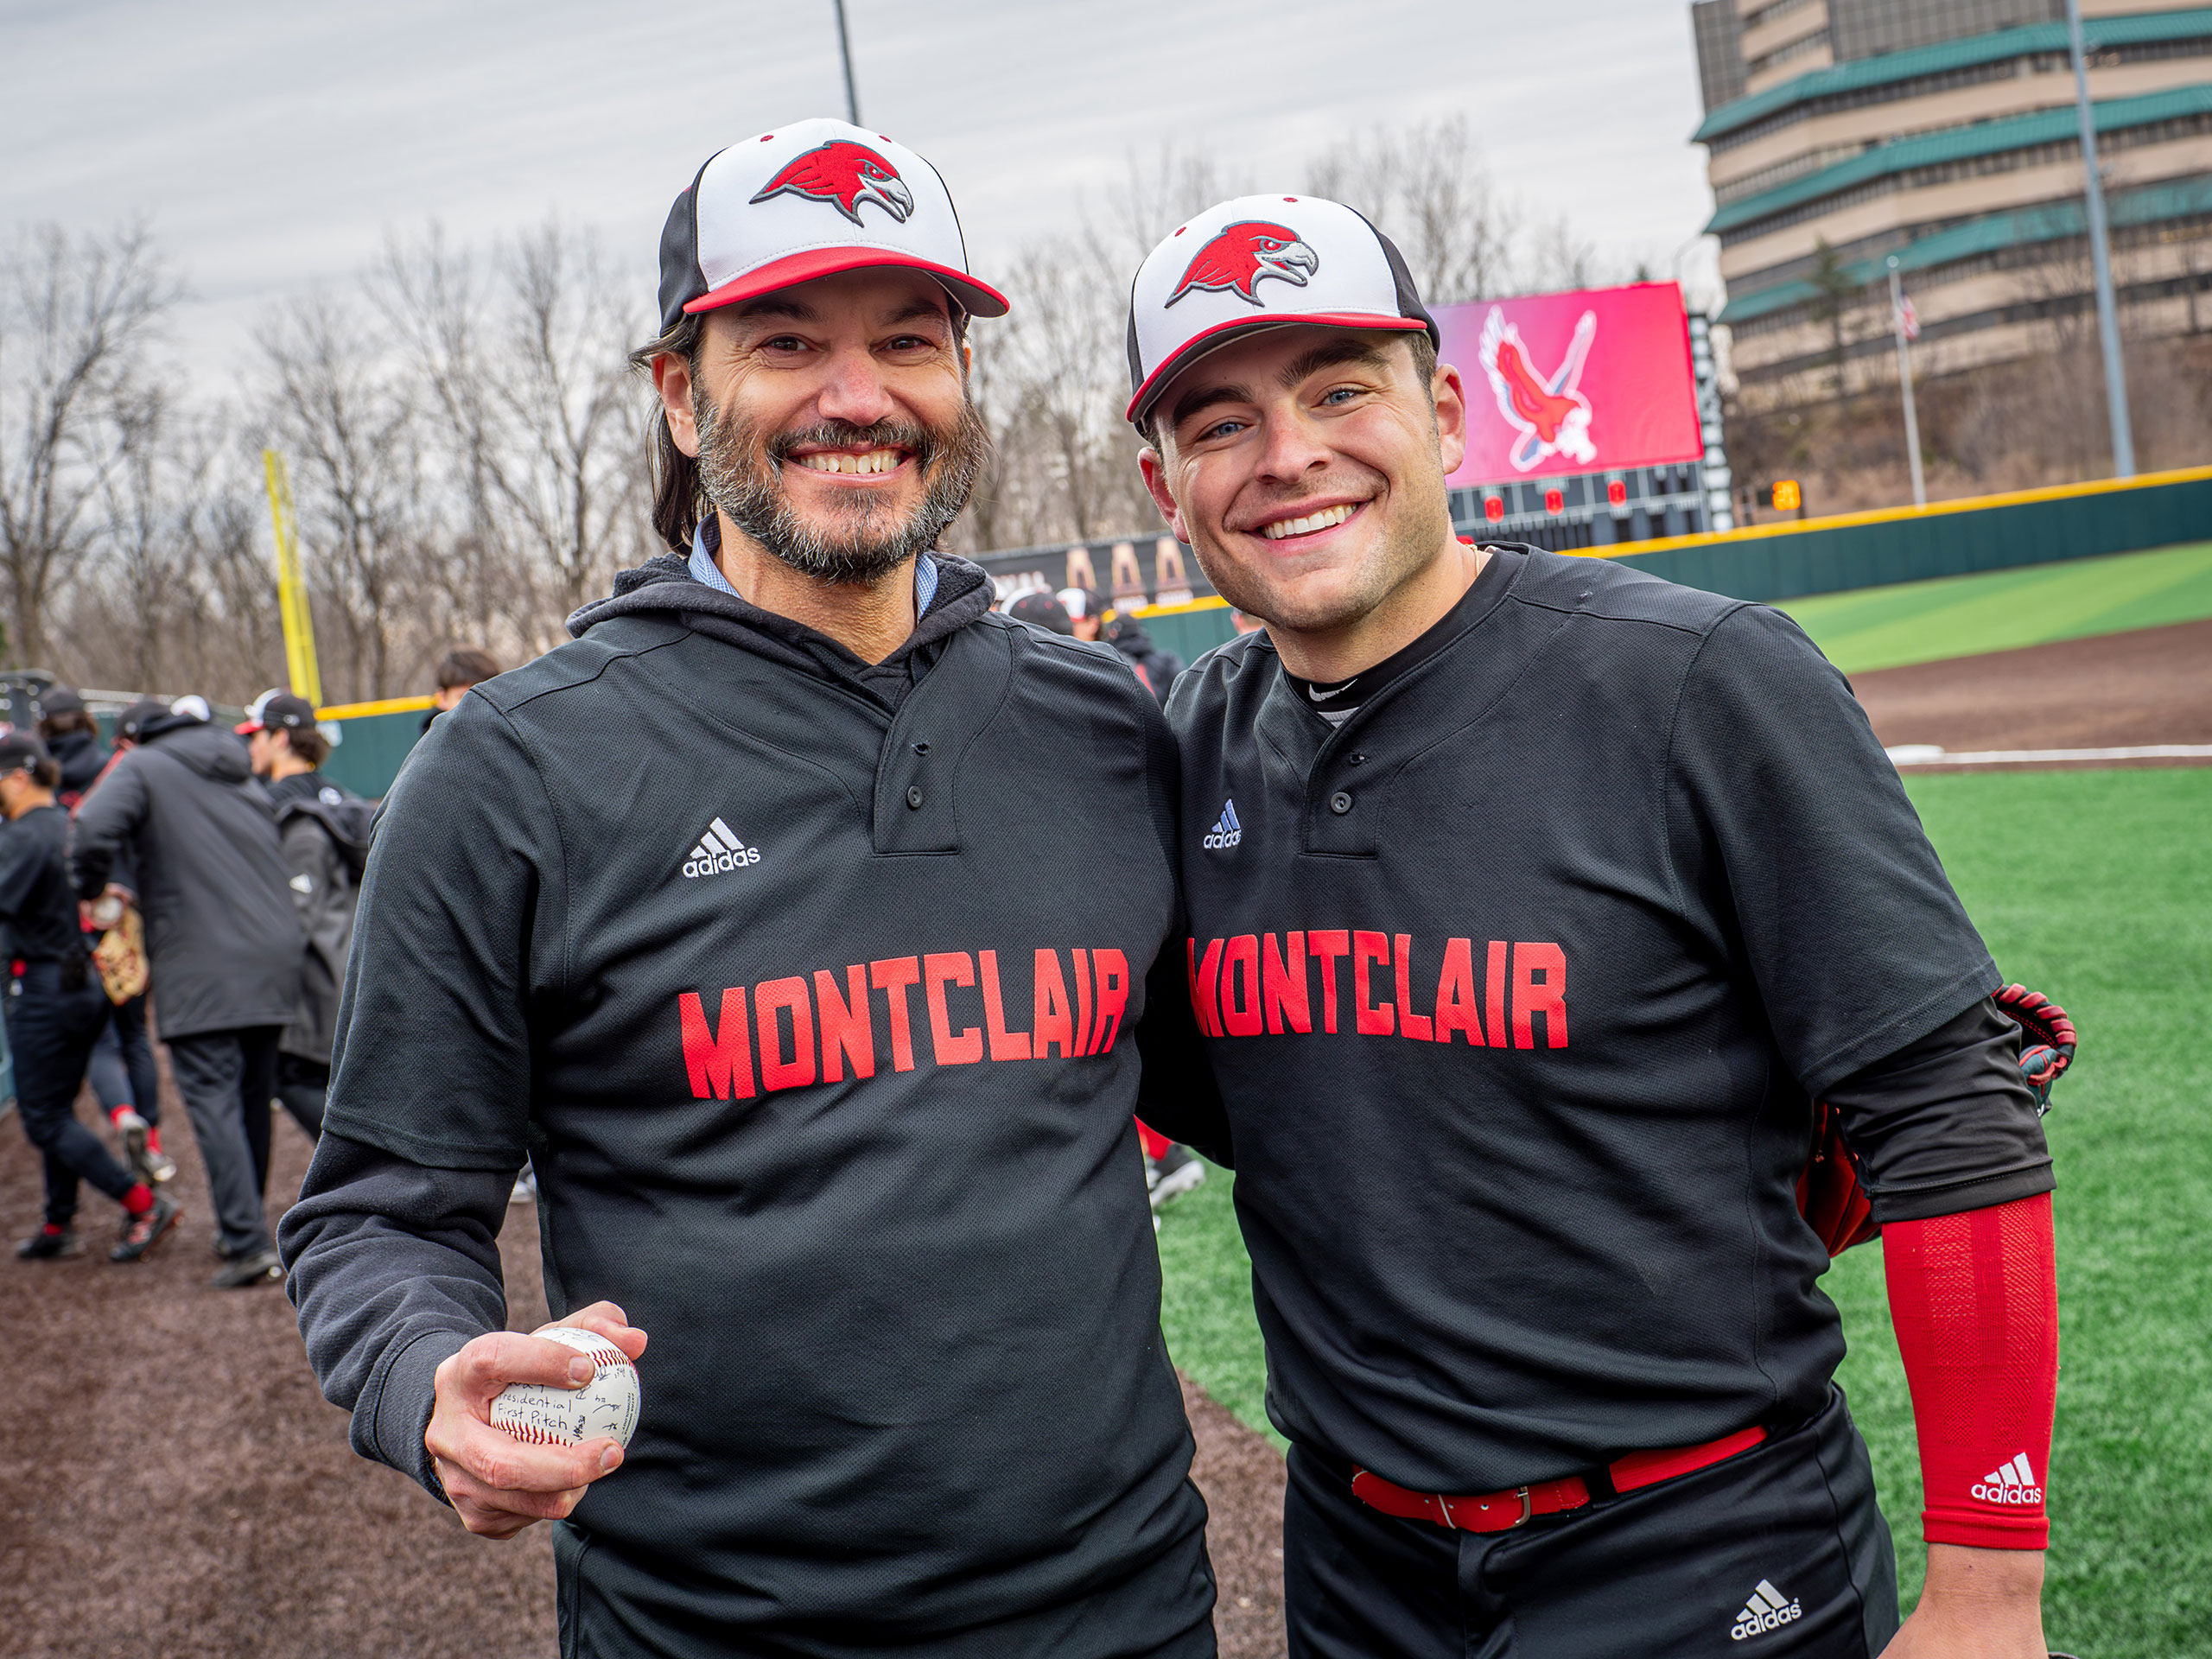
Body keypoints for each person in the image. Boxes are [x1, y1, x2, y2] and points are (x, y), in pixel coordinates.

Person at [282, 119, 1217, 1659]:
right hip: (721, 1629)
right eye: (788, 342)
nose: (859, 398)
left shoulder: (1102, 726)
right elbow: (379, 1209)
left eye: (910, 342)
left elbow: (1273, 1088)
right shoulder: (515, 767)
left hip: (1128, 1612)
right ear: (678, 389)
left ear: (963, 378)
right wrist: (422, 1373)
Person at [1126, 196, 2059, 1657]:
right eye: (1222, 421)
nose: (1289, 453)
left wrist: (1992, 1591)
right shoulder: (1183, 752)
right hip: (1360, 1562)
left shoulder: (1701, 682)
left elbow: (1950, 1115)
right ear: (1162, 483)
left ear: (1445, 412)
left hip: (1700, 1541)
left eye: (1340, 389)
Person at [73, 695, 305, 1289]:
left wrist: (91, 886)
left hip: (202, 961)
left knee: (214, 1098)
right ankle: (247, 1229)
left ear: (137, 737)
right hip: (272, 953)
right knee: (252, 1096)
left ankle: (246, 1242)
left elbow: (92, 825)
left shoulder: (146, 764)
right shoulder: (239, 769)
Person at [1, 733, 181, 1262]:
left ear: (19, 776)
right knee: (57, 1107)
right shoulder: (68, 823)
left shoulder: (22, 836)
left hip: (43, 985)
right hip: (84, 980)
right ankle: (59, 1222)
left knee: (45, 1118)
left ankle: (144, 1203)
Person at [44, 686, 176, 1185]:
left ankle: (123, 1116)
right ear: (86, 721)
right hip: (121, 918)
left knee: (99, 1043)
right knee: (135, 1033)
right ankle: (155, 1145)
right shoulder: (115, 766)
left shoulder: (36, 781)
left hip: (65, 929)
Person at [242, 690, 367, 1145]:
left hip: (313, 986)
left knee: (290, 1079)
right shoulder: (342, 799)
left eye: (256, 735)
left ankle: (361, 1173)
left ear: (280, 739)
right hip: (354, 974)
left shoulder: (283, 812)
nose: (251, 747)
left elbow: (298, 916)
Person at [422, 647, 502, 733]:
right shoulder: (433, 743)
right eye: (463, 697)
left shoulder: (509, 734)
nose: (475, 705)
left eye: (484, 696)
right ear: (442, 698)